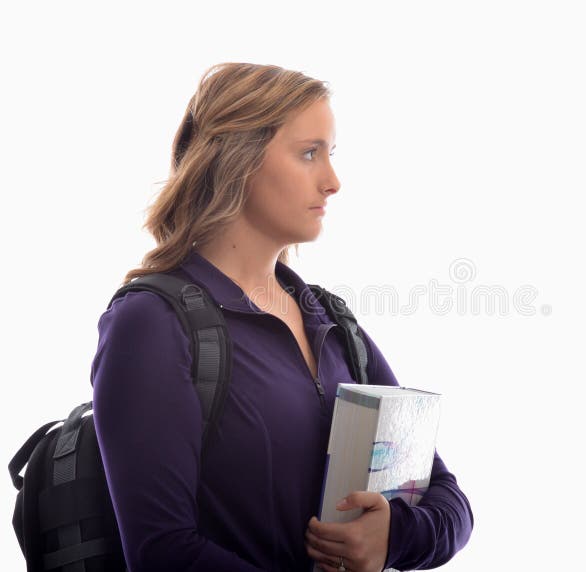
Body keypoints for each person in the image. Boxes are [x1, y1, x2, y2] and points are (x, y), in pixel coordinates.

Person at [91, 62, 474, 572]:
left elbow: (448, 498)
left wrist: (392, 537)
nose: (333, 181)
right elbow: (162, 552)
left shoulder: (332, 324)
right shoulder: (152, 324)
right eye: (309, 153)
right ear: (237, 161)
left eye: (330, 154)